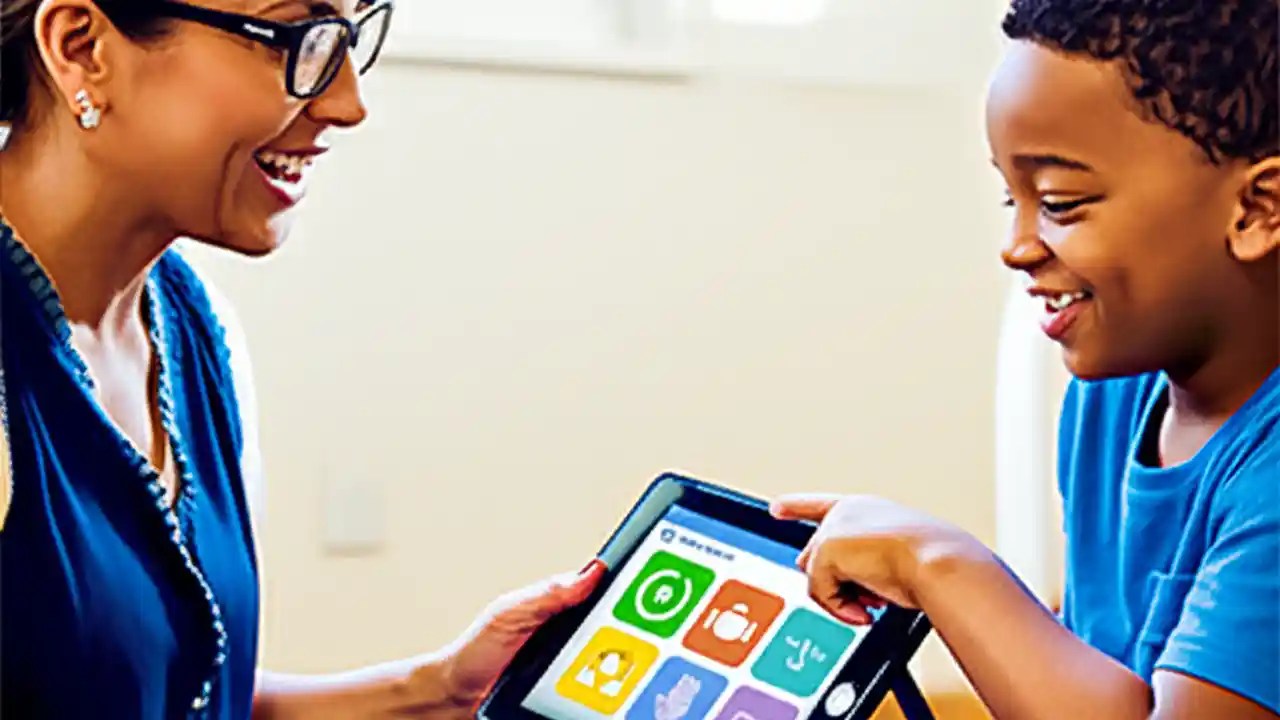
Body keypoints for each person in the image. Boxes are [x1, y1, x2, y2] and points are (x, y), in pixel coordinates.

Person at [0, 1, 603, 717]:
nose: (348, 102)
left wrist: (442, 689)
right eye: (299, 38)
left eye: (351, 37)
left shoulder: (200, 333)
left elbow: (177, 694)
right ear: (81, 48)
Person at [774, 1, 1280, 718]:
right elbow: (1110, 661)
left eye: (1060, 202)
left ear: (1257, 210)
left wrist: (942, 565)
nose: (1016, 246)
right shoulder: (1116, 393)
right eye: (1010, 198)